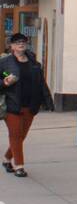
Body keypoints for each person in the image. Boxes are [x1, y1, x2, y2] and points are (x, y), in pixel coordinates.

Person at [0, 32, 54, 177]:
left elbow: (41, 83)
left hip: (30, 105)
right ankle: (19, 166)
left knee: (21, 136)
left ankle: (6, 158)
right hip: (12, 105)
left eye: (23, 41)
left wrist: (48, 102)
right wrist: (4, 82)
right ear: (11, 46)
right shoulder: (4, 63)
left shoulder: (34, 63)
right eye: (17, 42)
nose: (21, 43)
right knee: (16, 134)